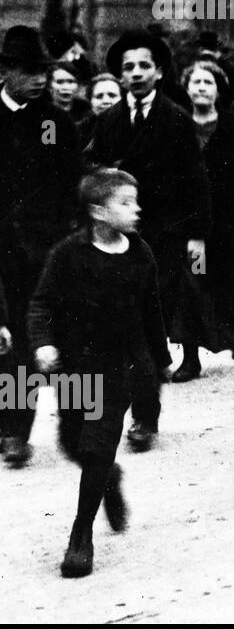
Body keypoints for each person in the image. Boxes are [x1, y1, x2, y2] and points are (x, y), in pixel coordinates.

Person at [28, 168, 169, 577]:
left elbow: (151, 310)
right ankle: (109, 479)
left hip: (122, 366)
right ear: (98, 212)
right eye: (126, 203)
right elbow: (42, 303)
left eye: (136, 200)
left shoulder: (141, 253)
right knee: (75, 443)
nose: (136, 209)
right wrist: (43, 343)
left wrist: (160, 359)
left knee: (98, 443)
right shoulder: (68, 254)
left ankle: (80, 537)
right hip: (76, 366)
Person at [84, 27, 209, 452]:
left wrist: (196, 237)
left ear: (158, 72)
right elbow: (99, 180)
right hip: (117, 235)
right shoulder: (109, 120)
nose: (136, 74)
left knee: (145, 325)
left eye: (143, 66)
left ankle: (145, 417)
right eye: (128, 67)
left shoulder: (175, 118)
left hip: (164, 237)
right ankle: (119, 411)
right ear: (119, 76)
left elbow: (196, 180)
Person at [0, 27, 83, 467]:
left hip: (40, 251)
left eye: (44, 72)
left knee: (24, 342)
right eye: (30, 72)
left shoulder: (53, 121)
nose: (39, 80)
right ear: (6, 71)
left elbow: (70, 183)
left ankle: (16, 430)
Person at [171, 59, 234, 381]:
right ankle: (190, 358)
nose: (201, 88)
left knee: (229, 284)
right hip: (191, 224)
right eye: (195, 82)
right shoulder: (177, 125)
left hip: (228, 224)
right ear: (186, 88)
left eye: (207, 83)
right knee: (192, 284)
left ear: (218, 89)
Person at [48, 60, 92, 125]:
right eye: (59, 82)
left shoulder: (87, 111)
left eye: (71, 82)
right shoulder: (42, 111)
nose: (66, 87)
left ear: (78, 85)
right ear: (49, 85)